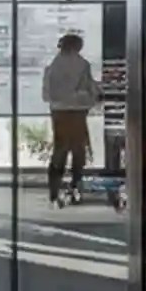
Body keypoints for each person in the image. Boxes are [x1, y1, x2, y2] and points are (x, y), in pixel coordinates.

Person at [43, 33, 100, 208]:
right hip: (77, 113)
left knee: (59, 150)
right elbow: (90, 91)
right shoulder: (83, 65)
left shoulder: (51, 66)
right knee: (78, 151)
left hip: (59, 112)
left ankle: (54, 191)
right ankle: (75, 187)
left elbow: (46, 95)